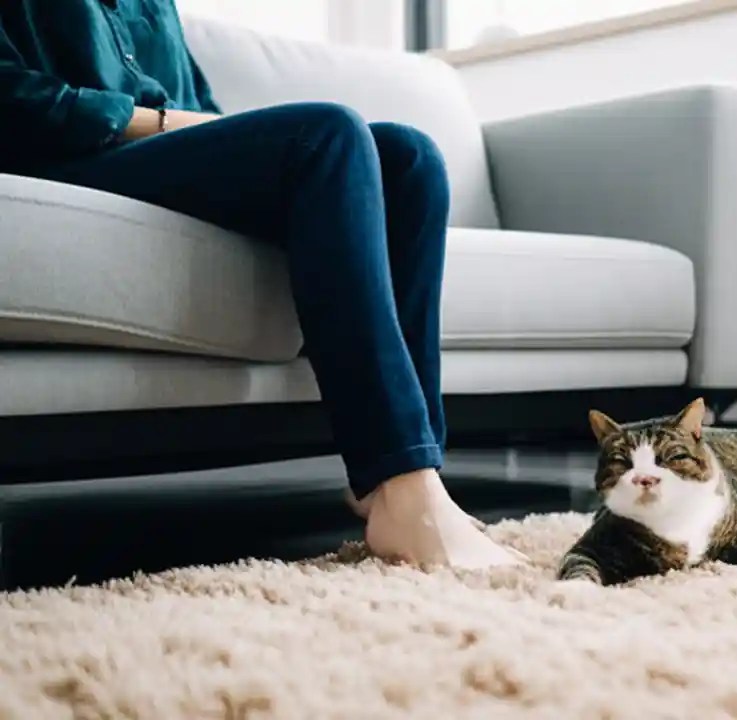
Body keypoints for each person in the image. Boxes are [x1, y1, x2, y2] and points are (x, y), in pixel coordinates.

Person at [0, 0, 524, 569]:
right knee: (327, 132)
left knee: (409, 157)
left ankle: (405, 479)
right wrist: (154, 121)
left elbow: (196, 104)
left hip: (161, 154)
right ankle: (402, 482)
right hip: (67, 159)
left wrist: (194, 128)